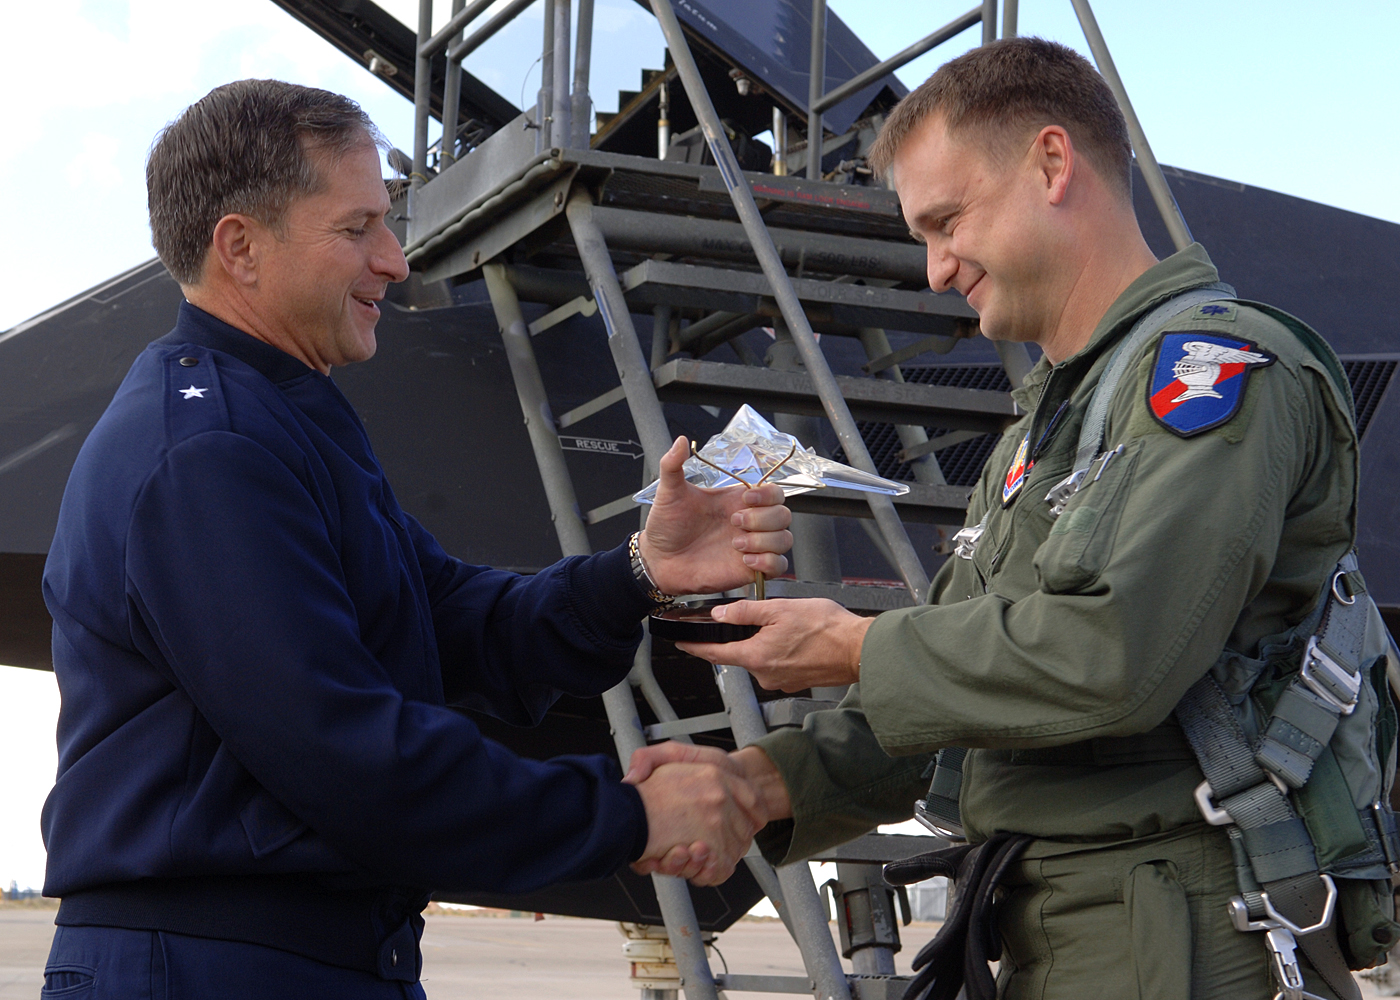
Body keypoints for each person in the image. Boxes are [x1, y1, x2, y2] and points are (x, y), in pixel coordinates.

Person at [628, 37, 1375, 999]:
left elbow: (1116, 655)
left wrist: (860, 649)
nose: (936, 269)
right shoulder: (1053, 429)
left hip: (1177, 937)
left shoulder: (1216, 377)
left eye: (948, 221)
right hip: (1067, 927)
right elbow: (956, 696)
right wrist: (755, 785)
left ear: (1052, 164)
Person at [39, 79, 791, 999]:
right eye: (356, 229)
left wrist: (642, 570)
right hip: (213, 967)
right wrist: (628, 815)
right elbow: (346, 755)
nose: (395, 261)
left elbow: (450, 620)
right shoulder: (208, 449)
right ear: (240, 246)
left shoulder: (286, 420)